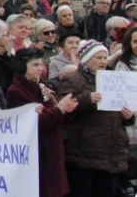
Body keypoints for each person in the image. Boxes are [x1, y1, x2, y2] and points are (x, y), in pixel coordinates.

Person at [58, 39, 135, 197]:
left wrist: (128, 117)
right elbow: (64, 110)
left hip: (111, 153)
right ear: (86, 58)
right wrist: (88, 99)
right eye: (98, 58)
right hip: (84, 155)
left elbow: (115, 115)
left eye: (105, 58)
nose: (103, 62)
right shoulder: (73, 79)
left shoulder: (112, 80)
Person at [6, 48, 78, 197]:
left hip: (52, 149)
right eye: (35, 65)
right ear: (21, 67)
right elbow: (33, 124)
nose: (40, 68)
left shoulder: (42, 85)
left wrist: (67, 111)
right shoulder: (16, 91)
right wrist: (59, 109)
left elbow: (55, 117)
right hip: (38, 153)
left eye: (41, 64)